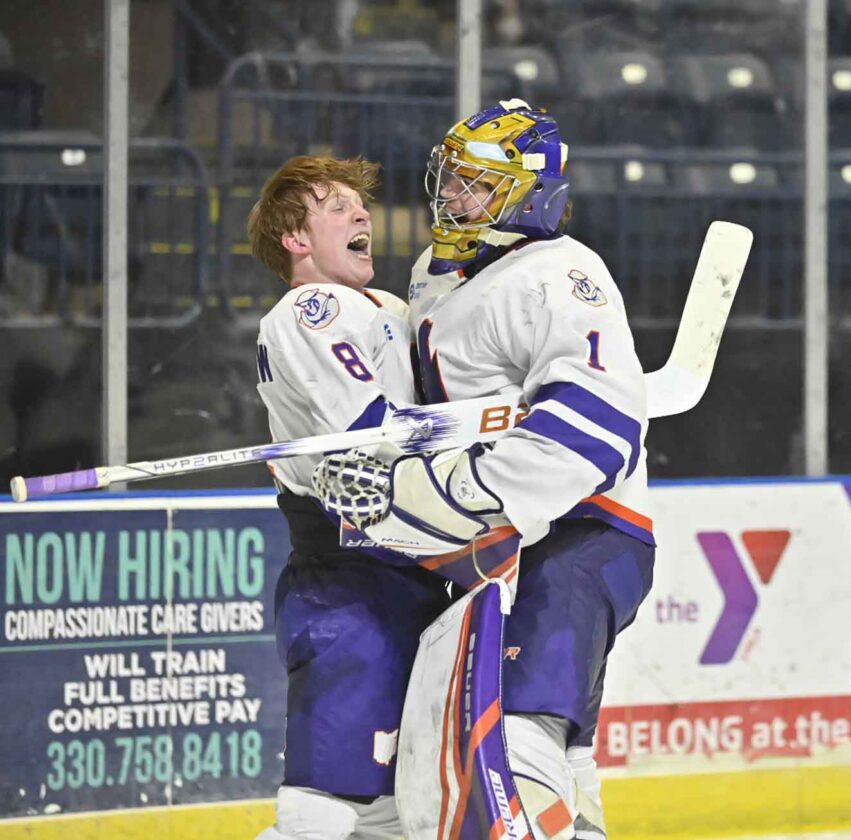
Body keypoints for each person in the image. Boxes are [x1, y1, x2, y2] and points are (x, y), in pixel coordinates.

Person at [316, 99, 655, 838]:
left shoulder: (560, 273)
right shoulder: (437, 274)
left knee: (514, 749)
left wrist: (454, 493)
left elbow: (599, 429)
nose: (454, 198)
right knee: (564, 764)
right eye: (453, 178)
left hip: (579, 540)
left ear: (532, 196)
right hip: (501, 552)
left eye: (479, 185)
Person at [247, 154, 451, 840]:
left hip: (408, 579)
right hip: (348, 585)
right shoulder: (310, 308)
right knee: (323, 805)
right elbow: (368, 430)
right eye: (335, 207)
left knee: (391, 810)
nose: (360, 214)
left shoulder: (387, 309)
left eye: (358, 205)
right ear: (295, 240)